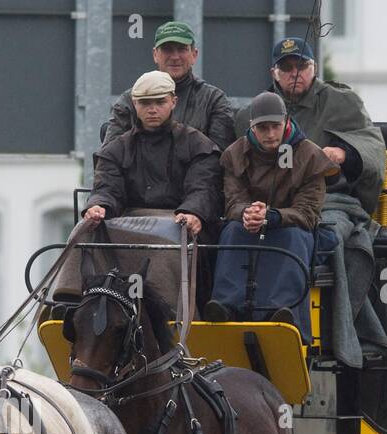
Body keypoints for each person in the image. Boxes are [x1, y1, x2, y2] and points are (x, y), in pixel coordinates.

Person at [234, 37, 387, 366]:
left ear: (313, 68)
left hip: (332, 201)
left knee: (328, 236)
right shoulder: (251, 112)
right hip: (271, 205)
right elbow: (234, 163)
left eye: (301, 66)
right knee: (231, 233)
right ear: (273, 73)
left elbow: (374, 147)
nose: (294, 74)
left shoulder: (341, 101)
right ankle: (231, 312)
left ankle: (330, 329)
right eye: (286, 68)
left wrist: (345, 153)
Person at [205, 92, 336, 341]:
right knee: (232, 230)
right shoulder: (236, 154)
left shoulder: (309, 155)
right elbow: (232, 199)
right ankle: (225, 307)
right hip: (251, 224)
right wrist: (247, 213)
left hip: (292, 226)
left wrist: (273, 216)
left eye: (275, 126)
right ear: (251, 128)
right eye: (262, 128)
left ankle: (283, 312)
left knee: (293, 235)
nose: (270, 134)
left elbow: (308, 212)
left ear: (286, 122)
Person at [83, 70, 222, 246]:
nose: (152, 109)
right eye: (145, 103)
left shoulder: (199, 146)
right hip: (128, 221)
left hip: (180, 221)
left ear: (173, 102)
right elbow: (107, 188)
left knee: (172, 238)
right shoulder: (115, 150)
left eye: (160, 102)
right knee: (84, 232)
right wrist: (98, 206)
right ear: (134, 104)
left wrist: (193, 212)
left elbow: (202, 188)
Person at [104, 21, 235, 154]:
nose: (175, 57)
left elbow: (219, 158)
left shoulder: (214, 100)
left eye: (182, 49)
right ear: (155, 54)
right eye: (167, 49)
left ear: (194, 55)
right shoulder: (129, 100)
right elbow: (109, 158)